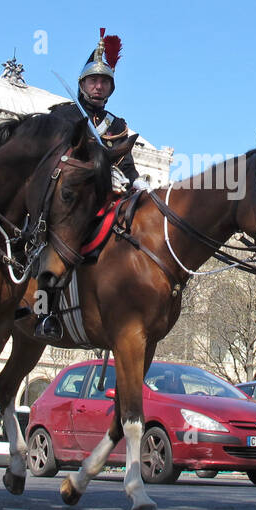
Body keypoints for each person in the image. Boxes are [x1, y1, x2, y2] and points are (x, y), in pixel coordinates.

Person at [36, 28, 148, 339]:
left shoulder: (118, 125)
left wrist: (135, 184)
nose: (98, 86)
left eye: (104, 82)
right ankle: (45, 313)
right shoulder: (63, 116)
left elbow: (127, 166)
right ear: (82, 84)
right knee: (57, 249)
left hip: (107, 198)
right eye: (92, 81)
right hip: (69, 198)